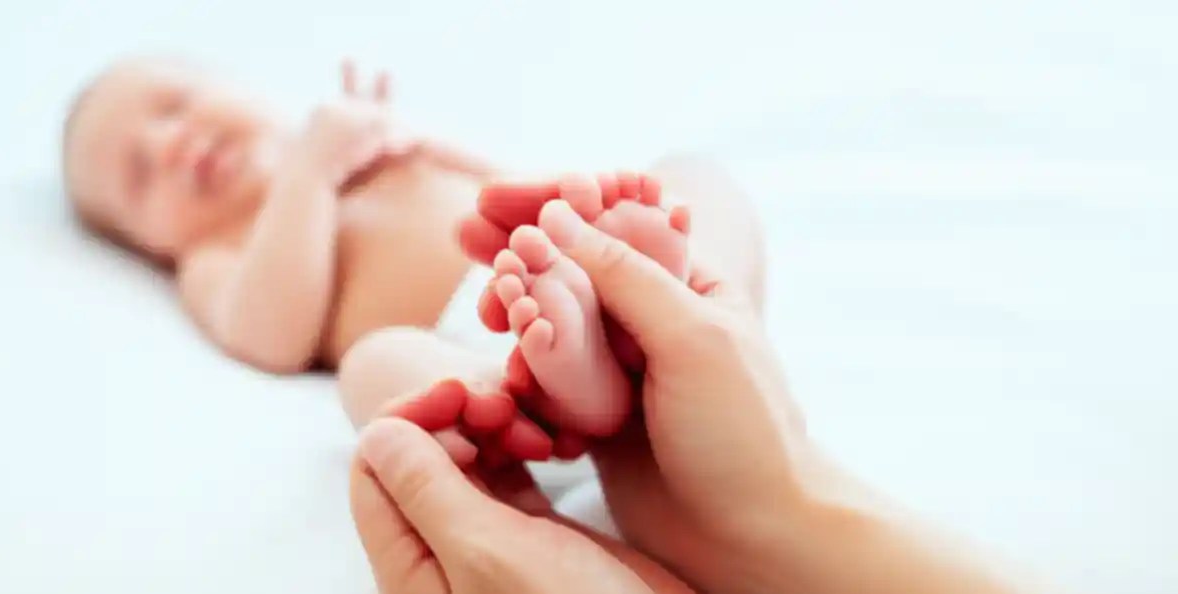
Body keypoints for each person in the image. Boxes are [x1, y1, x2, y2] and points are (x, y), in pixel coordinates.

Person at [350, 179, 1178, 594]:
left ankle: (629, 343)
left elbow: (482, 190)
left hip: (536, 281)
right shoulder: (228, 246)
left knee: (704, 190)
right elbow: (262, 325)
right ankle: (590, 366)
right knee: (378, 361)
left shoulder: (393, 144)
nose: (210, 136)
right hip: (468, 331)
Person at [60, 58, 762, 461]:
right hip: (473, 346)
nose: (174, 143)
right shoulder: (215, 255)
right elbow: (269, 339)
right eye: (139, 174)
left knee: (693, 175)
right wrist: (309, 171)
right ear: (147, 245)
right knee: (375, 369)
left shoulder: (366, 149)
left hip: (551, 267)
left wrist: (416, 144)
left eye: (178, 104)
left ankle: (685, 296)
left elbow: (498, 189)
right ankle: (548, 394)